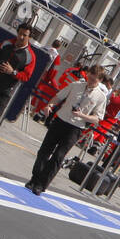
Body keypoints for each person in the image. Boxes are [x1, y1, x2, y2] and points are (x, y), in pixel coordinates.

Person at [26, 64, 108, 195]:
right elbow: (59, 96)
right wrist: (50, 106)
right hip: (60, 120)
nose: (91, 82)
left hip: (76, 127)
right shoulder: (76, 85)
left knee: (58, 156)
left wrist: (82, 115)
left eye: (94, 80)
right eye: (90, 78)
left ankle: (41, 184)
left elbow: (97, 118)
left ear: (100, 80)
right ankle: (34, 178)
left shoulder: (101, 97)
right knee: (44, 150)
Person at [0, 22, 37, 156]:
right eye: (20, 33)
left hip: (4, 91)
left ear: (29, 37)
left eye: (25, 35)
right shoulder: (7, 43)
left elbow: (26, 76)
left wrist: (12, 72)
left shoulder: (30, 56)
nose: (21, 37)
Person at [28, 38, 64, 115]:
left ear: (52, 43)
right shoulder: (57, 57)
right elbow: (54, 70)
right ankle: (33, 110)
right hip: (44, 76)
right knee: (37, 93)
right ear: (59, 47)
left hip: (33, 71)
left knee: (28, 87)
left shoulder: (43, 48)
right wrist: (49, 79)